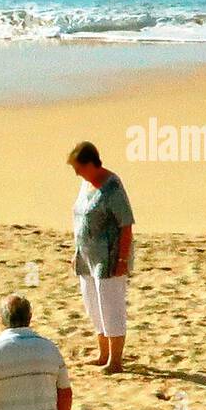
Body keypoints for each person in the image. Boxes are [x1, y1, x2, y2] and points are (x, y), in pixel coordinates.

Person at [67, 141, 135, 374]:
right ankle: (103, 352)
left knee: (110, 306)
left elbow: (126, 225)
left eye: (79, 168)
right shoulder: (86, 185)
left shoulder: (112, 187)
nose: (76, 173)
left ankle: (115, 360)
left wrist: (122, 260)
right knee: (92, 305)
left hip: (109, 256)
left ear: (91, 164)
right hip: (86, 256)